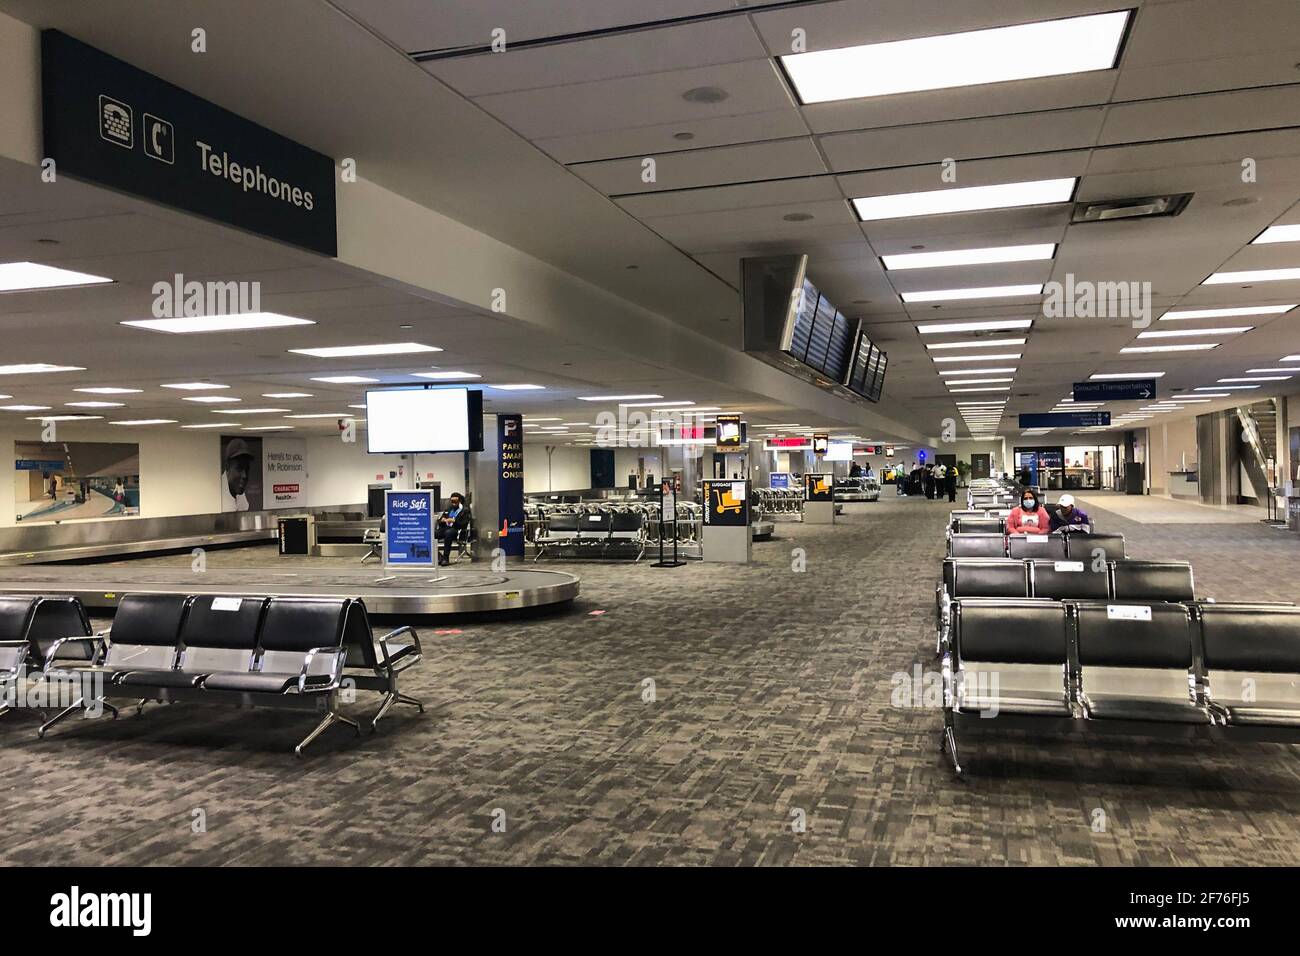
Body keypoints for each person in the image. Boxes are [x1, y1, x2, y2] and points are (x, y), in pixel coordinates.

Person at [435, 492, 471, 566]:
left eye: (455, 501)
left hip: (457, 530)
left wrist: (454, 521)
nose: (453, 503)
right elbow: (440, 520)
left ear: (459, 501)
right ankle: (438, 556)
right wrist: (442, 520)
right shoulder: (449, 509)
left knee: (449, 533)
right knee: (431, 534)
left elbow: (464, 524)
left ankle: (445, 558)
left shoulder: (465, 510)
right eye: (452, 501)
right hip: (446, 528)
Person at [221, 439, 256, 512]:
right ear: (227, 467)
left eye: (247, 469)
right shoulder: (218, 498)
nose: (244, 475)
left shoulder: (238, 491)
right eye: (239, 468)